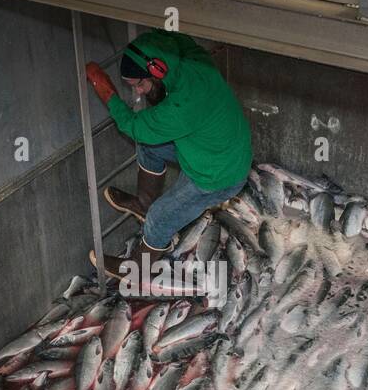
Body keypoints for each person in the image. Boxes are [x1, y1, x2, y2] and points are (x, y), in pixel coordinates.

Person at [84, 31, 252, 281]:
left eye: (140, 84)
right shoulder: (194, 60)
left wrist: (106, 91)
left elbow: (132, 125)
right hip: (217, 148)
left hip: (218, 175)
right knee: (149, 146)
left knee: (159, 217)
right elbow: (175, 41)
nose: (139, 92)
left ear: (157, 70)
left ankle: (138, 270)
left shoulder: (182, 106)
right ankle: (143, 202)